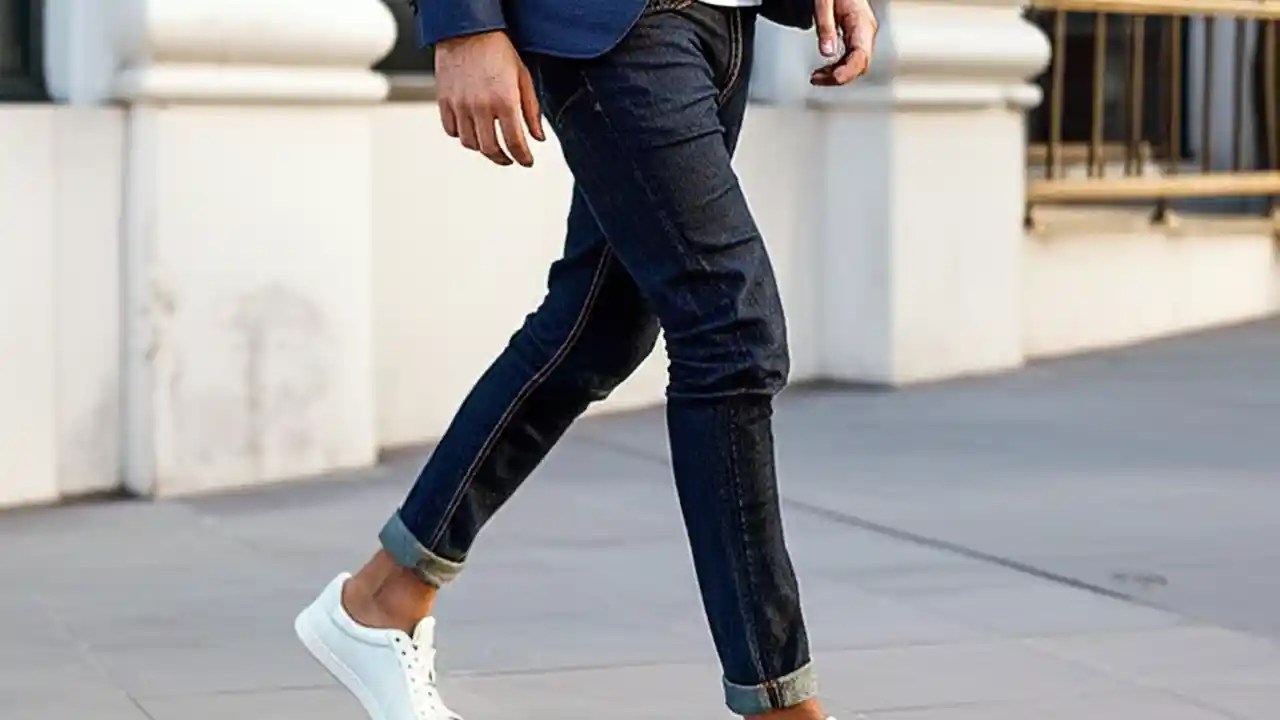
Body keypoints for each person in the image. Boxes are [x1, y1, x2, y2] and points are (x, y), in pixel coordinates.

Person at [294, 0, 877, 717]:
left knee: (601, 324)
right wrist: (464, 19)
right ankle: (780, 702)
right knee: (731, 330)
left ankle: (385, 596)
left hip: (724, 23)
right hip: (617, 21)